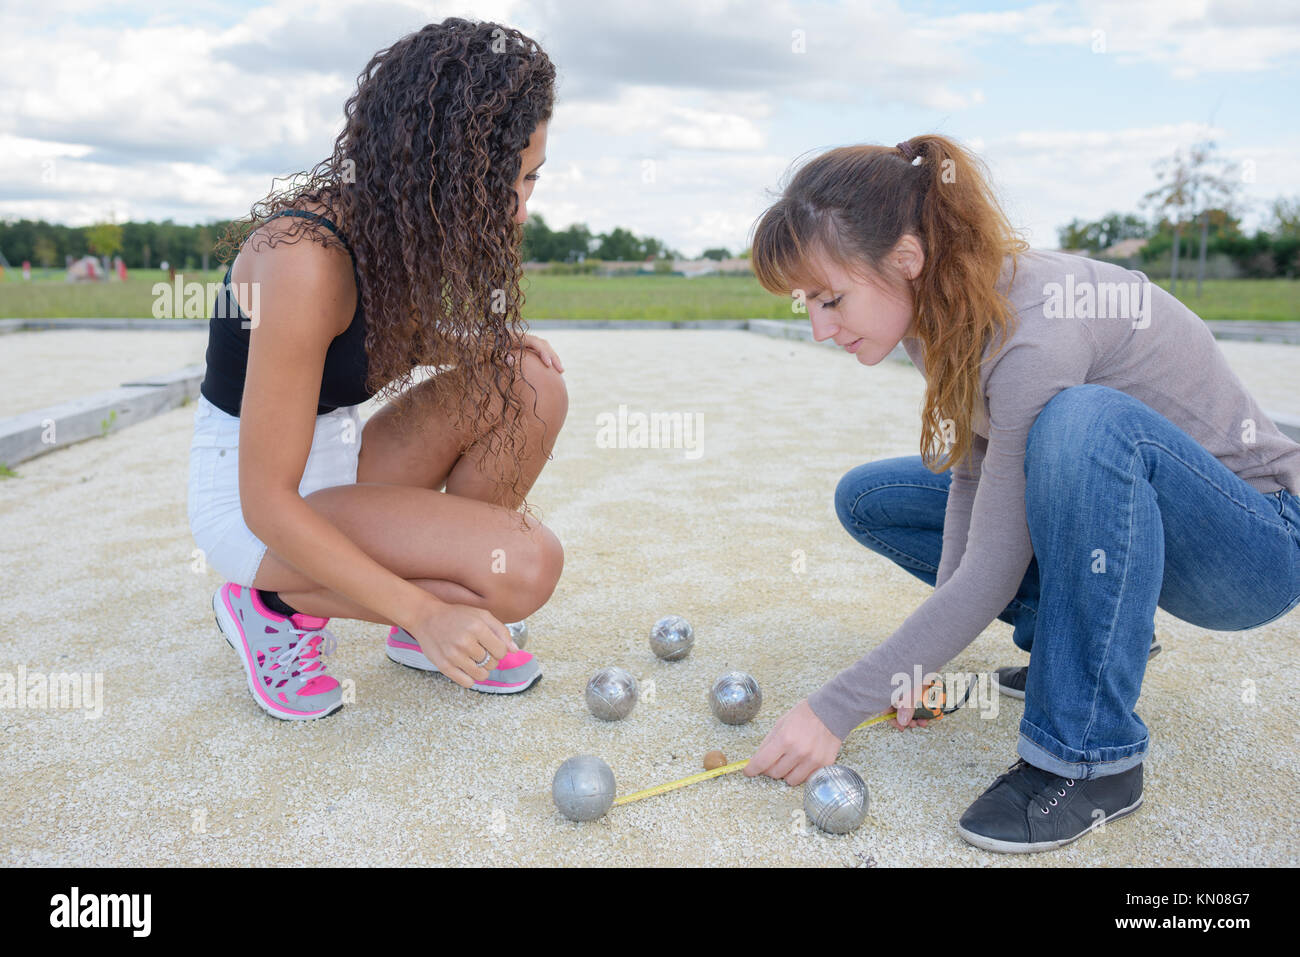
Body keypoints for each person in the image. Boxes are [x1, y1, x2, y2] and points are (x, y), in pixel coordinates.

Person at [743, 134, 1300, 852]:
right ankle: (1074, 638)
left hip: (1256, 545)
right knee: (873, 495)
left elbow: (993, 561)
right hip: (1135, 516)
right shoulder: (937, 311)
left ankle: (1091, 760)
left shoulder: (1036, 331)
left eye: (830, 298)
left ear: (905, 260)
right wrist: (920, 668)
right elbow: (974, 480)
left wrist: (838, 707)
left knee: (1080, 423)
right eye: (806, 305)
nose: (818, 328)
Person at [188, 18, 567, 721]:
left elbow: (389, 339)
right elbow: (267, 500)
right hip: (260, 509)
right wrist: (428, 609)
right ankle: (268, 602)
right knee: (524, 568)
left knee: (531, 386)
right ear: (442, 171)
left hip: (338, 468)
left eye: (530, 183)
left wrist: (485, 344)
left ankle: (424, 610)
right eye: (506, 186)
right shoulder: (299, 261)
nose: (518, 214)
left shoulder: (396, 229)